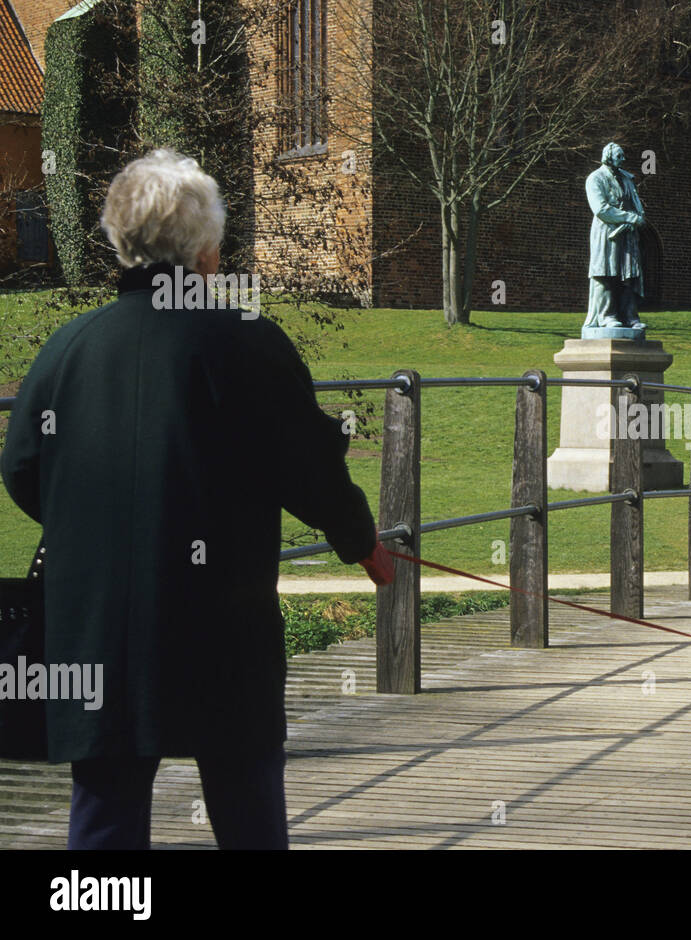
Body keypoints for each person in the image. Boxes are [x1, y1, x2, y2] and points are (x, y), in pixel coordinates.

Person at [0, 149, 395, 850]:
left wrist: (98, 528)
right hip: (221, 618)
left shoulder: (68, 348)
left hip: (100, 624)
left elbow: (23, 468)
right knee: (244, 794)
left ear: (120, 242)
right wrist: (360, 542)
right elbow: (310, 469)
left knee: (106, 803)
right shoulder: (246, 343)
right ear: (206, 250)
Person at [582, 142, 646, 331]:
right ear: (608, 156)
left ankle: (630, 317)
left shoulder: (627, 179)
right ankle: (606, 316)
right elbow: (601, 209)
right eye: (619, 156)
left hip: (628, 233)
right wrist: (629, 217)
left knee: (629, 274)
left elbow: (635, 203)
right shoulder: (595, 178)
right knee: (606, 273)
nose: (623, 159)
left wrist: (637, 217)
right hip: (607, 233)